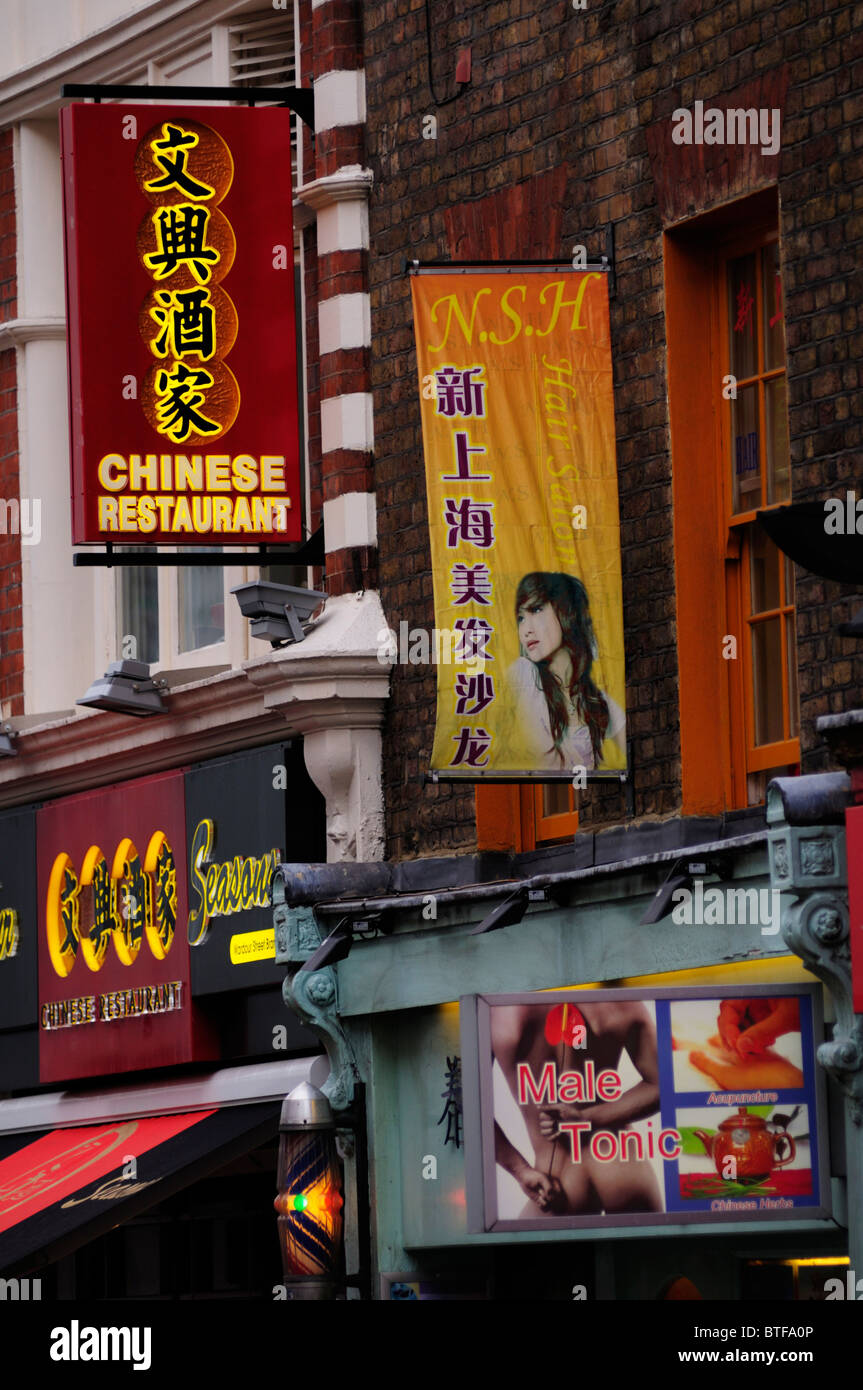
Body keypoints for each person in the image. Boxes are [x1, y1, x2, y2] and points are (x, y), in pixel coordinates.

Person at [491, 1000, 663, 1217]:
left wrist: (520, 1170)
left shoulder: (494, 1008)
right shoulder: (617, 997)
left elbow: (464, 1107)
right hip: (620, 1164)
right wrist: (587, 1118)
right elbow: (661, 1085)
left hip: (554, 1181)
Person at [507, 572, 625, 770]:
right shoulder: (524, 674)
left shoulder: (596, 699)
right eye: (520, 618)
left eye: (536, 610)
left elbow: (636, 753)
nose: (526, 629)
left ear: (566, 612)